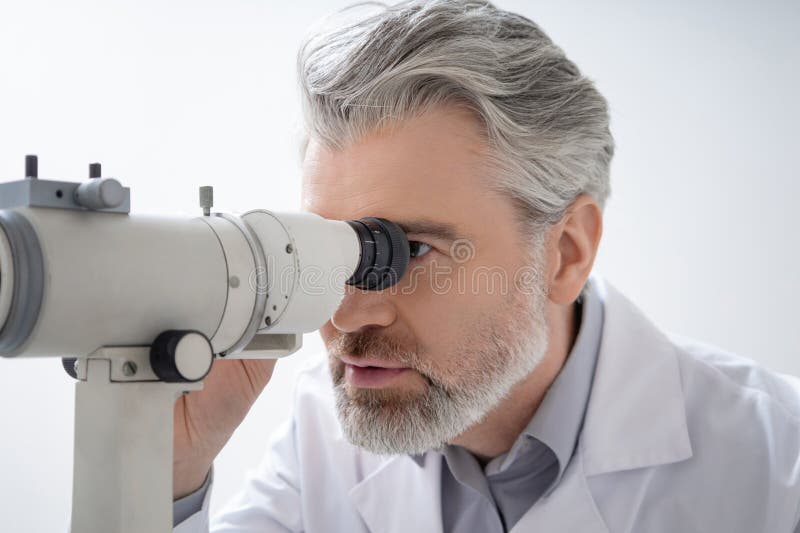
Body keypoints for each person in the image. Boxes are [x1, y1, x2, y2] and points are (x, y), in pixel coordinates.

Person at [172, 1, 800, 531]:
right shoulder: (319, 435)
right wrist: (171, 471)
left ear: (566, 253)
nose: (346, 313)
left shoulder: (776, 462)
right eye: (332, 251)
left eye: (408, 250)